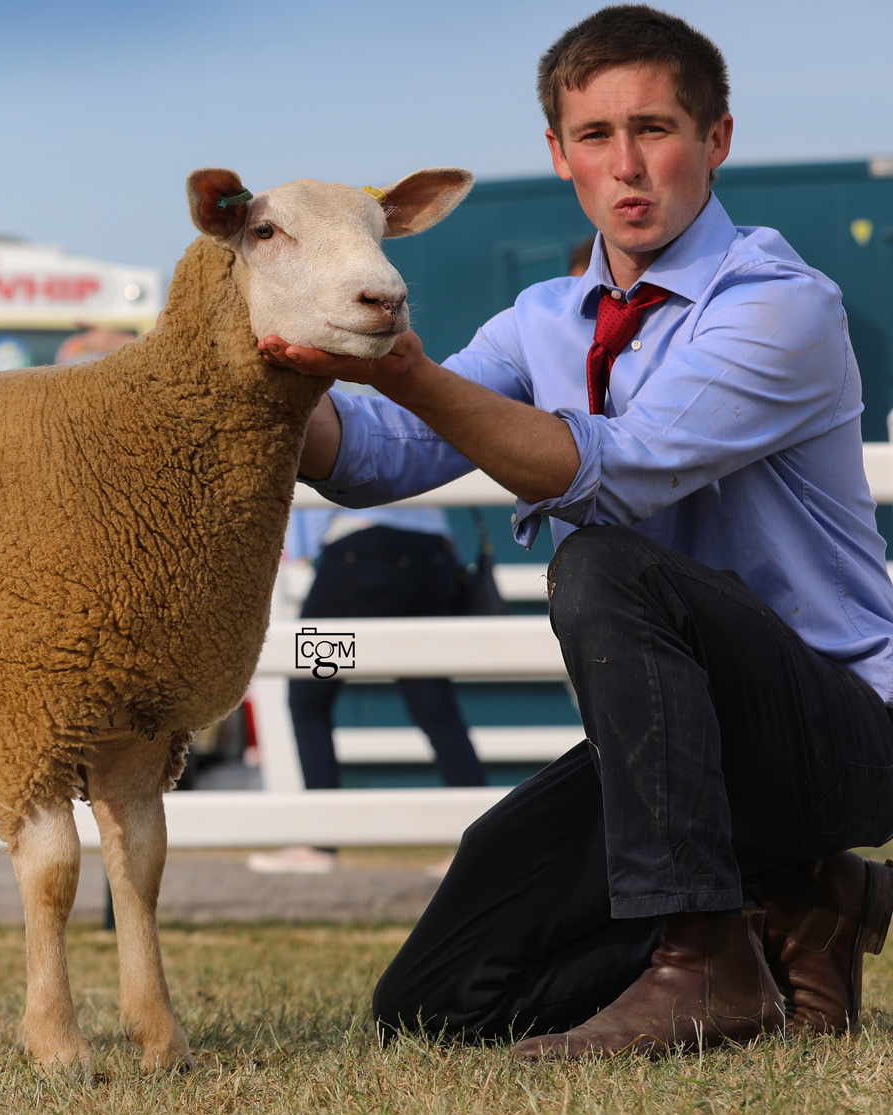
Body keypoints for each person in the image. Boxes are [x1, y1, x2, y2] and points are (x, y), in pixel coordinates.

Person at [261, 5, 893, 1057]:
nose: (628, 165)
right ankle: (796, 909)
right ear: (560, 154)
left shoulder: (782, 305)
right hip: (673, 758)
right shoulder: (543, 320)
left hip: (832, 730)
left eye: (656, 129)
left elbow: (615, 476)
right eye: (596, 137)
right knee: (434, 1005)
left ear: (716, 140)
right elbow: (378, 456)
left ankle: (705, 967)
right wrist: (267, 378)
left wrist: (409, 368)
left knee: (604, 561)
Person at [247, 505, 486, 876]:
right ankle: (479, 843)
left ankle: (320, 842)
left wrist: (305, 548)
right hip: (432, 555)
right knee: (432, 701)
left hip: (362, 553)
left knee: (309, 698)